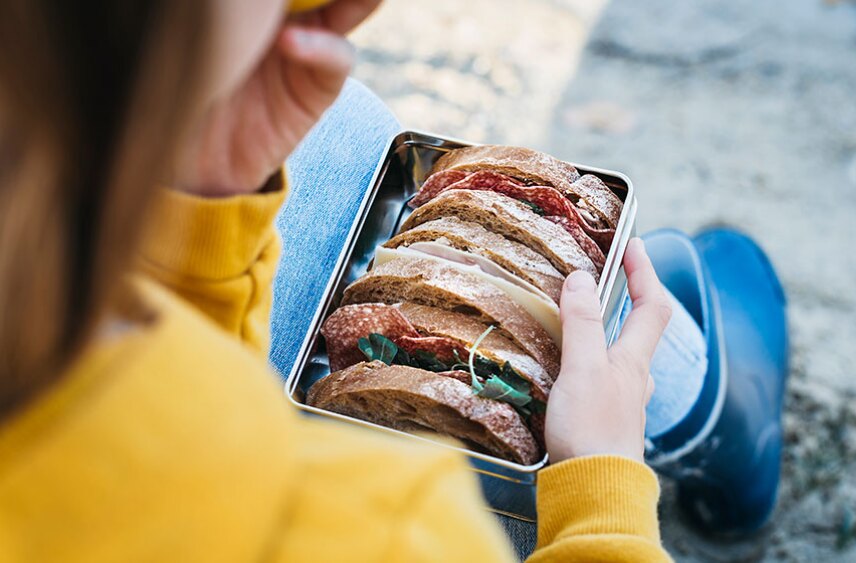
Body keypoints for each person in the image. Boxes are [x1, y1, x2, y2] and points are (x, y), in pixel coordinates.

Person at [0, 1, 677, 561]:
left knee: (343, 124)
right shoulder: (386, 524)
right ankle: (703, 405)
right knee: (643, 338)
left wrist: (205, 225)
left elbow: (147, 405)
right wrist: (604, 485)